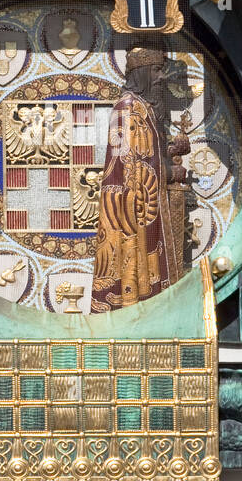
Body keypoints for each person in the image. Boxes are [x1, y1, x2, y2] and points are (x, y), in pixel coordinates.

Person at [90, 47, 191, 312]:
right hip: (132, 210)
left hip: (143, 206)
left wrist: (170, 151)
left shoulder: (143, 108)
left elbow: (143, 153)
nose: (160, 78)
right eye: (156, 71)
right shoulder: (127, 109)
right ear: (142, 73)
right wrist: (169, 172)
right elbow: (130, 168)